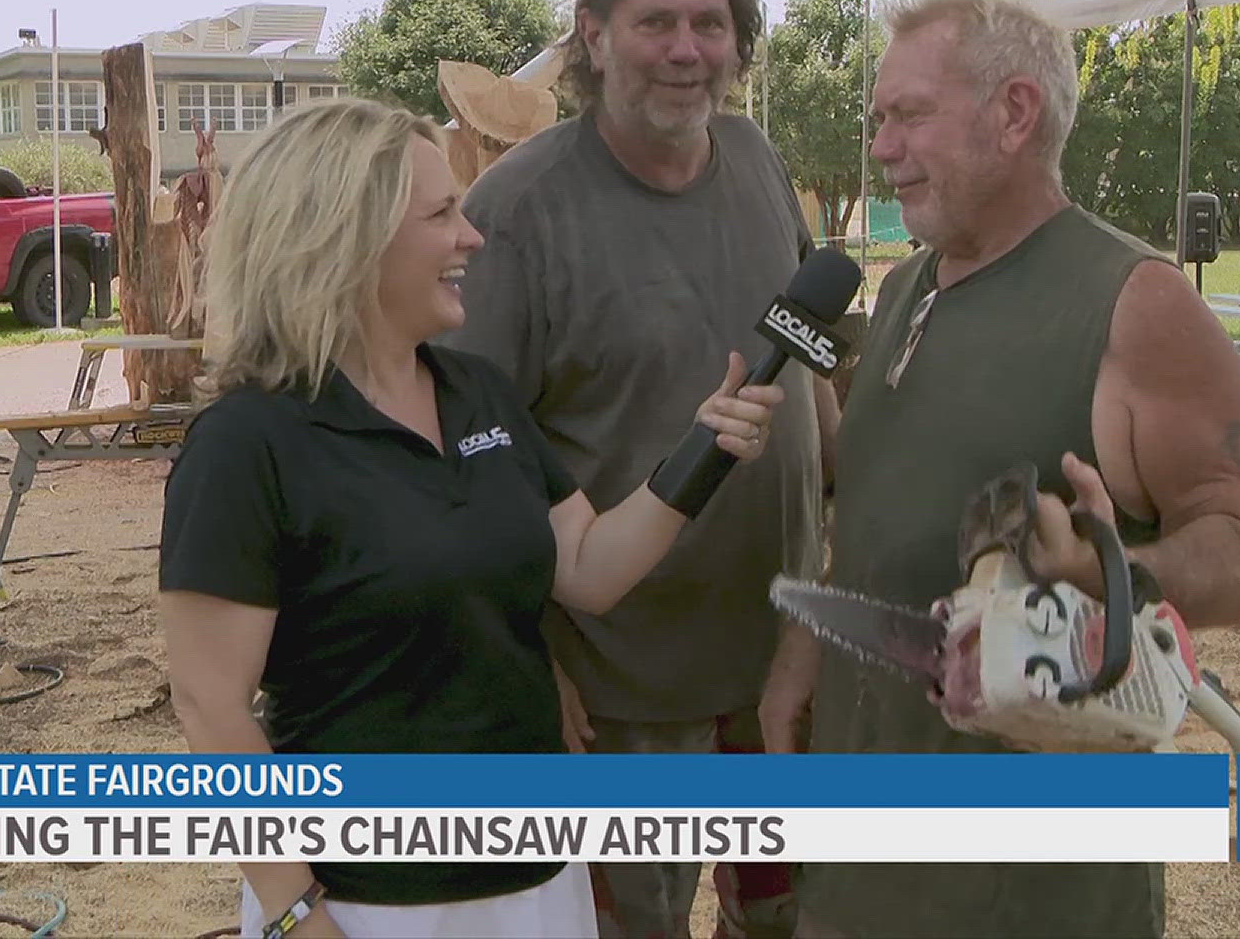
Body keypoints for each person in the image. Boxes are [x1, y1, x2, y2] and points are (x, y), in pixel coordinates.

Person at [156, 97, 786, 939]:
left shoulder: (475, 392)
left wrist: (701, 452)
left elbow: (590, 569)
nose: (473, 237)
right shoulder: (247, 442)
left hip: (538, 878)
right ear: (349, 238)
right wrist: (296, 912)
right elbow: (211, 705)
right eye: (443, 213)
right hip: (371, 904)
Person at [772, 0, 1240, 938]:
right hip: (857, 867)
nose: (881, 150)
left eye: (909, 117)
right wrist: (810, 642)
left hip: (1035, 896)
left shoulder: (1137, 303)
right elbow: (887, 505)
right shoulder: (908, 286)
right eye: (879, 120)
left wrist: (1108, 571)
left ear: (1014, 113)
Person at [438, 0, 835, 939]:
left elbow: (814, 362)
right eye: (655, 20)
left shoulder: (753, 159)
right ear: (594, 34)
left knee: (782, 924)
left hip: (779, 670)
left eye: (711, 23)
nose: (686, 48)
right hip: (622, 695)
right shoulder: (516, 211)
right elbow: (462, 457)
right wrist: (528, 654)